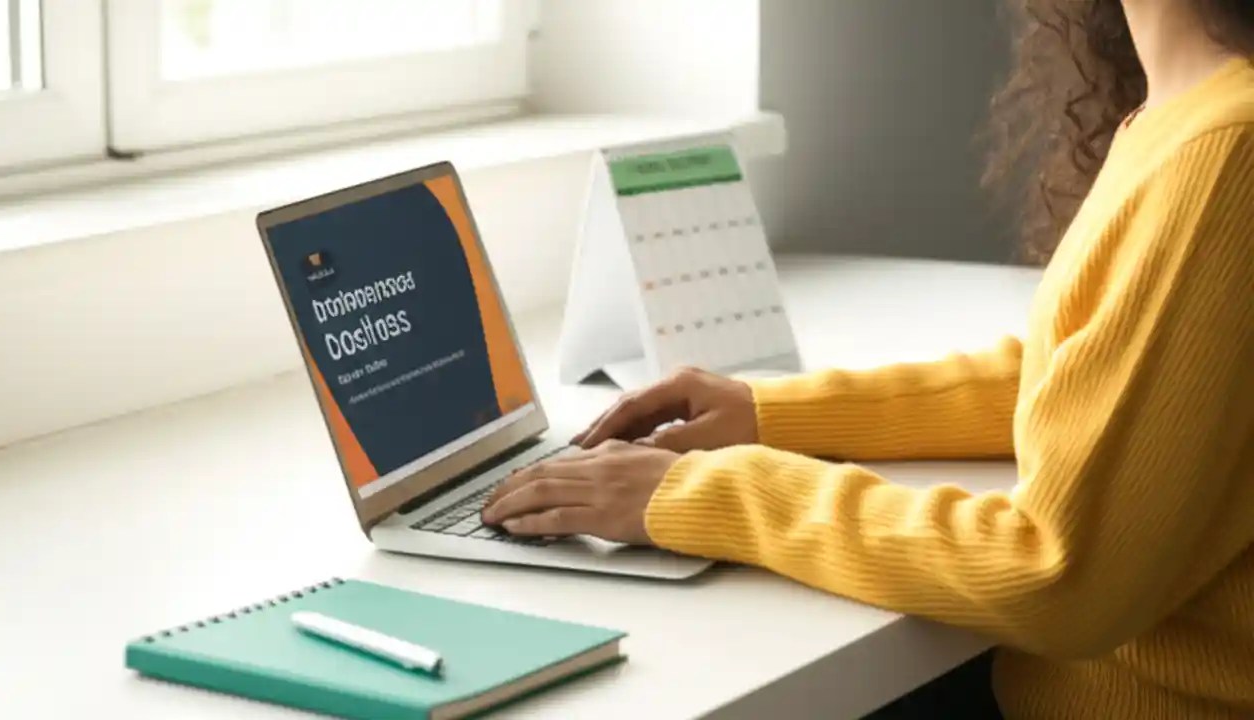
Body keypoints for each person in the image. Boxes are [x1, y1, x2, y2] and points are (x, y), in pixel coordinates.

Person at [482, 0, 1254, 716]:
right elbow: (1091, 373)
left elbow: (1058, 576)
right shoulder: (1187, 114)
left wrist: (702, 493)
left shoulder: (1228, 148)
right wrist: (770, 413)